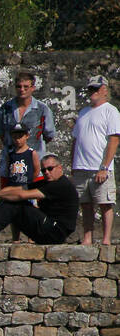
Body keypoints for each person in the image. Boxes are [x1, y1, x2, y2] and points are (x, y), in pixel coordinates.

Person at [0, 154, 78, 245]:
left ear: (60, 168)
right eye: (43, 170)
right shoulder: (46, 183)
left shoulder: (61, 185)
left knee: (17, 203)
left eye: (50, 168)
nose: (46, 172)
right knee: (10, 199)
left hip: (55, 232)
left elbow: (21, 195)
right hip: (48, 229)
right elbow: (18, 188)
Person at [71, 75, 120, 247]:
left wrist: (104, 167)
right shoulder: (83, 112)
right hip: (81, 167)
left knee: (105, 203)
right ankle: (87, 238)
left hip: (99, 167)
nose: (92, 92)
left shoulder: (110, 111)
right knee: (85, 204)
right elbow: (75, 140)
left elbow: (114, 140)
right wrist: (73, 165)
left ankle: (106, 238)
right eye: (90, 89)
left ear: (104, 90)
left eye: (96, 89)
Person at [0, 71, 55, 188]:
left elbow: (49, 134)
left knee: (35, 202)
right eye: (19, 86)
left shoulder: (42, 109)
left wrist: (32, 147)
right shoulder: (5, 109)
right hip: (10, 164)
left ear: (33, 88)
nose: (22, 89)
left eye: (26, 87)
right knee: (9, 201)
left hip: (35, 165)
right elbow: (1, 133)